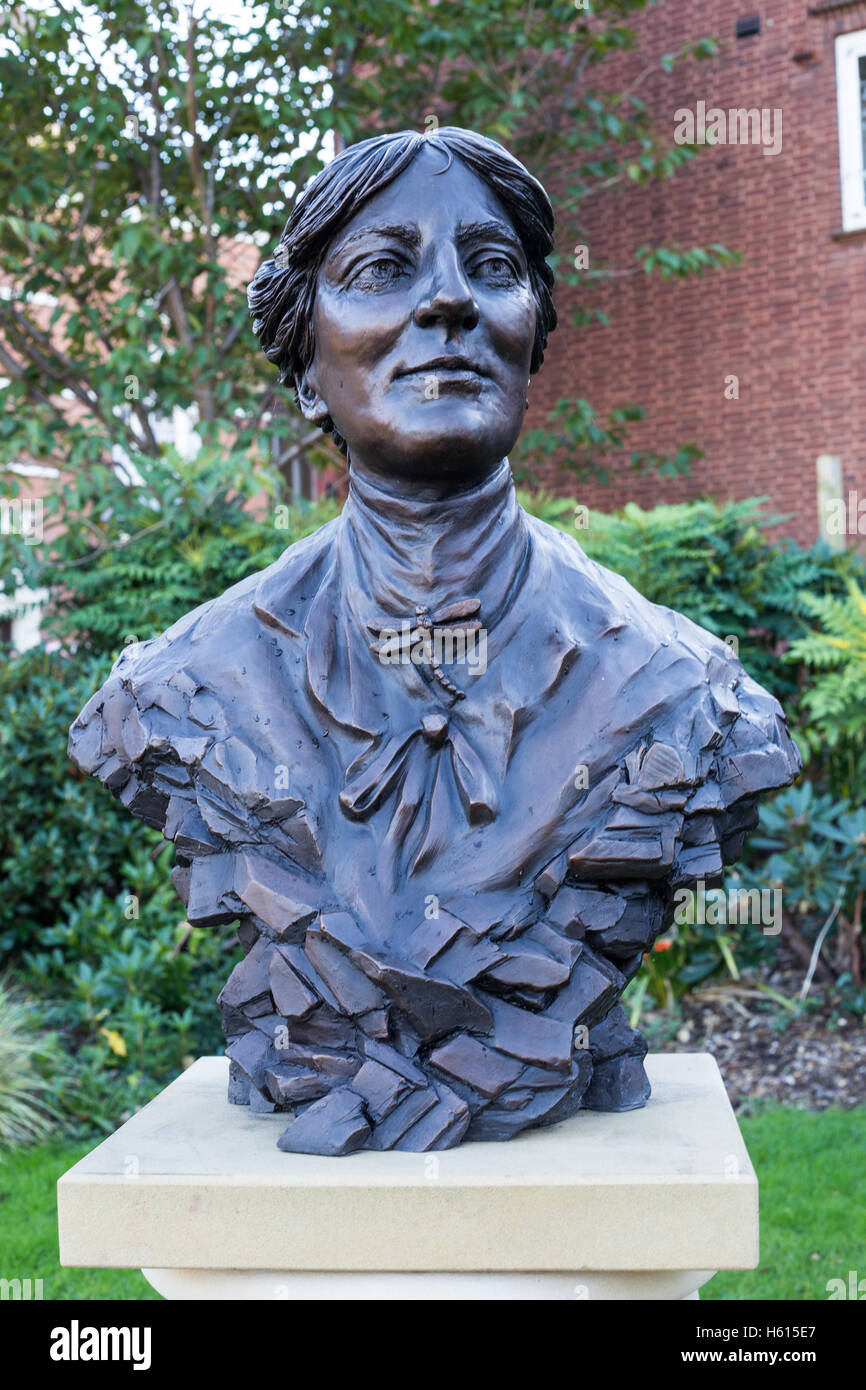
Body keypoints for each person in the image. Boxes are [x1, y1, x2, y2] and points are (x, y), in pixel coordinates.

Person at [69, 129, 801, 1155]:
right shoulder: (178, 691)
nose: (450, 300)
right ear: (306, 365)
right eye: (383, 268)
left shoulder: (686, 697)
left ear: (529, 335)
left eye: (491, 268)